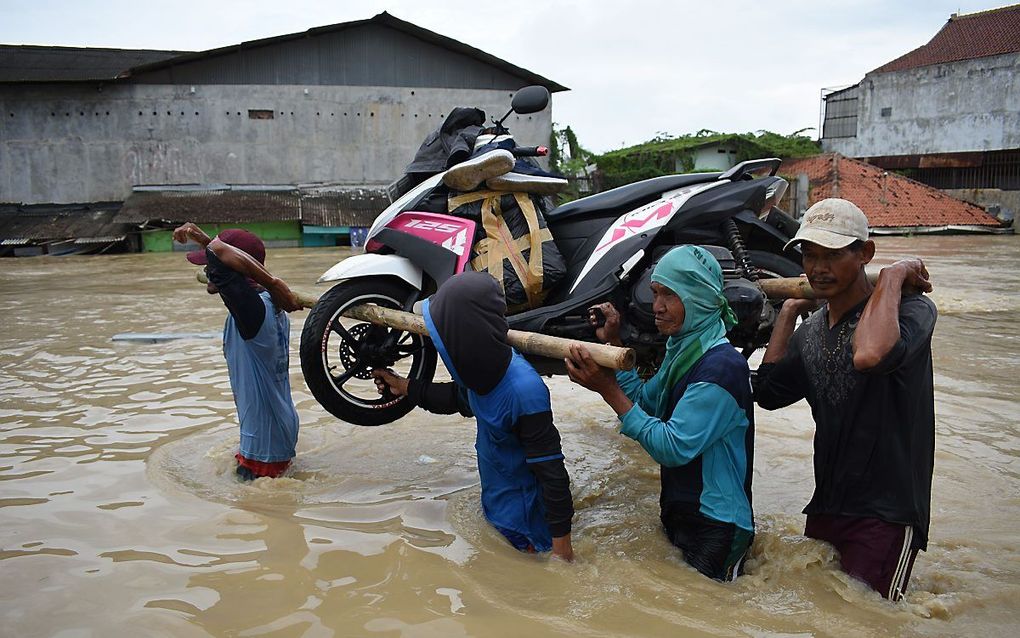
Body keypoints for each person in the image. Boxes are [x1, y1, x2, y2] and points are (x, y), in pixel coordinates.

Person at [754, 198, 936, 601]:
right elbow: (766, 393)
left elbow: (871, 354)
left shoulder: (912, 310)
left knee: (870, 621)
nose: (819, 268)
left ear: (864, 254)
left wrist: (893, 275)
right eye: (810, 255)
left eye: (833, 255)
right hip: (827, 506)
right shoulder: (813, 330)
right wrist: (787, 315)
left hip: (886, 513)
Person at [565, 245, 754, 581]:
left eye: (669, 295)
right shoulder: (683, 349)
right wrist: (612, 344)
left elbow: (672, 447)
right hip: (681, 510)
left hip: (718, 526)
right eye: (654, 293)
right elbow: (645, 403)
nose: (657, 307)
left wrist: (607, 390)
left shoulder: (722, 367)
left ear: (697, 296)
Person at [372, 271, 575, 561]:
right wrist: (405, 387)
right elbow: (458, 398)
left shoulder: (524, 392)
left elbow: (552, 476)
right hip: (497, 514)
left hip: (528, 536)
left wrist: (562, 554)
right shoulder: (481, 373)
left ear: (463, 337)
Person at [173, 223, 303, 480]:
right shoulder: (270, 304)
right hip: (274, 428)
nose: (207, 271)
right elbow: (223, 261)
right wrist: (203, 239)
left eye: (210, 266)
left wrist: (274, 281)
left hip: (263, 445)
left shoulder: (253, 314)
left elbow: (221, 263)